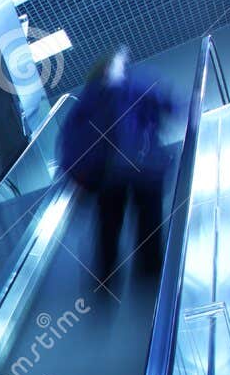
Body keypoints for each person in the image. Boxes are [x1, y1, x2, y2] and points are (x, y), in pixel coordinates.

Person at [59, 47, 175, 286]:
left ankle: (105, 277)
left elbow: (69, 141)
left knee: (109, 225)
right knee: (147, 220)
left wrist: (74, 174)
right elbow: (168, 103)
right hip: (145, 169)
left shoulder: (86, 101)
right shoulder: (136, 85)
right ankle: (150, 272)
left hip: (107, 175)